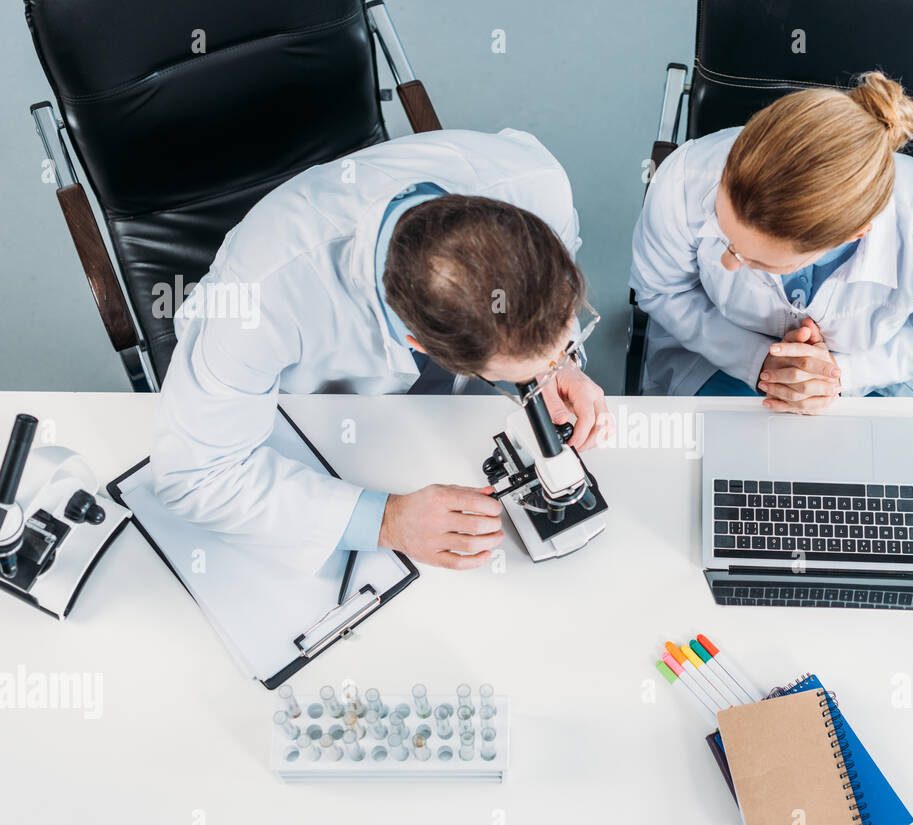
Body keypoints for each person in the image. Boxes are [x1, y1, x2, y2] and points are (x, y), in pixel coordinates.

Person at [152, 129, 607, 575]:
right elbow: (194, 478)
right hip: (312, 406)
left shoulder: (535, 183)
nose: (545, 372)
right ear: (421, 348)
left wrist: (555, 361)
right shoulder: (257, 300)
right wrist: (386, 520)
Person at [629, 72, 913, 410]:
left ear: (856, 234)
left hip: (887, 370)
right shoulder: (684, 182)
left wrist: (839, 375)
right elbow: (663, 291)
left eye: (759, 261)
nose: (726, 264)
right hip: (717, 349)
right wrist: (756, 360)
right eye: (725, 236)